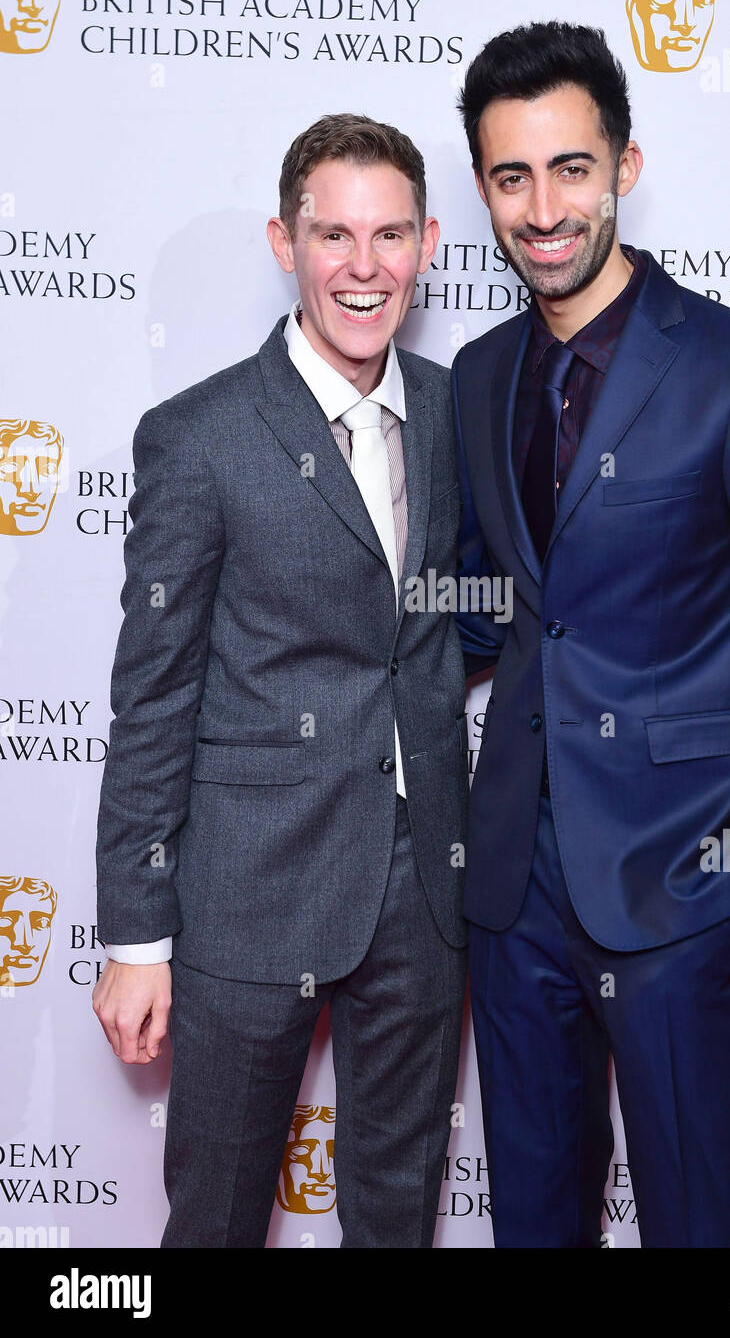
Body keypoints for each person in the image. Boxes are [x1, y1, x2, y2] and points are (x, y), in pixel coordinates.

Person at [452, 20, 730, 1247]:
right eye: (512, 177)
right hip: (514, 897)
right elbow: (487, 610)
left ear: (625, 166)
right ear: (483, 188)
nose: (543, 209)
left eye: (570, 168)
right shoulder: (478, 374)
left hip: (688, 892)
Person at [93, 113, 469, 1248]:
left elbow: (458, 624)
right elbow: (153, 694)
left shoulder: (457, 414)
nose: (364, 266)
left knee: (397, 1216)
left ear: (428, 244)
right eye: (334, 235)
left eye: (390, 234)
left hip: (424, 890)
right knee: (215, 1216)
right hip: (249, 891)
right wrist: (136, 939)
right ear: (284, 242)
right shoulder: (199, 436)